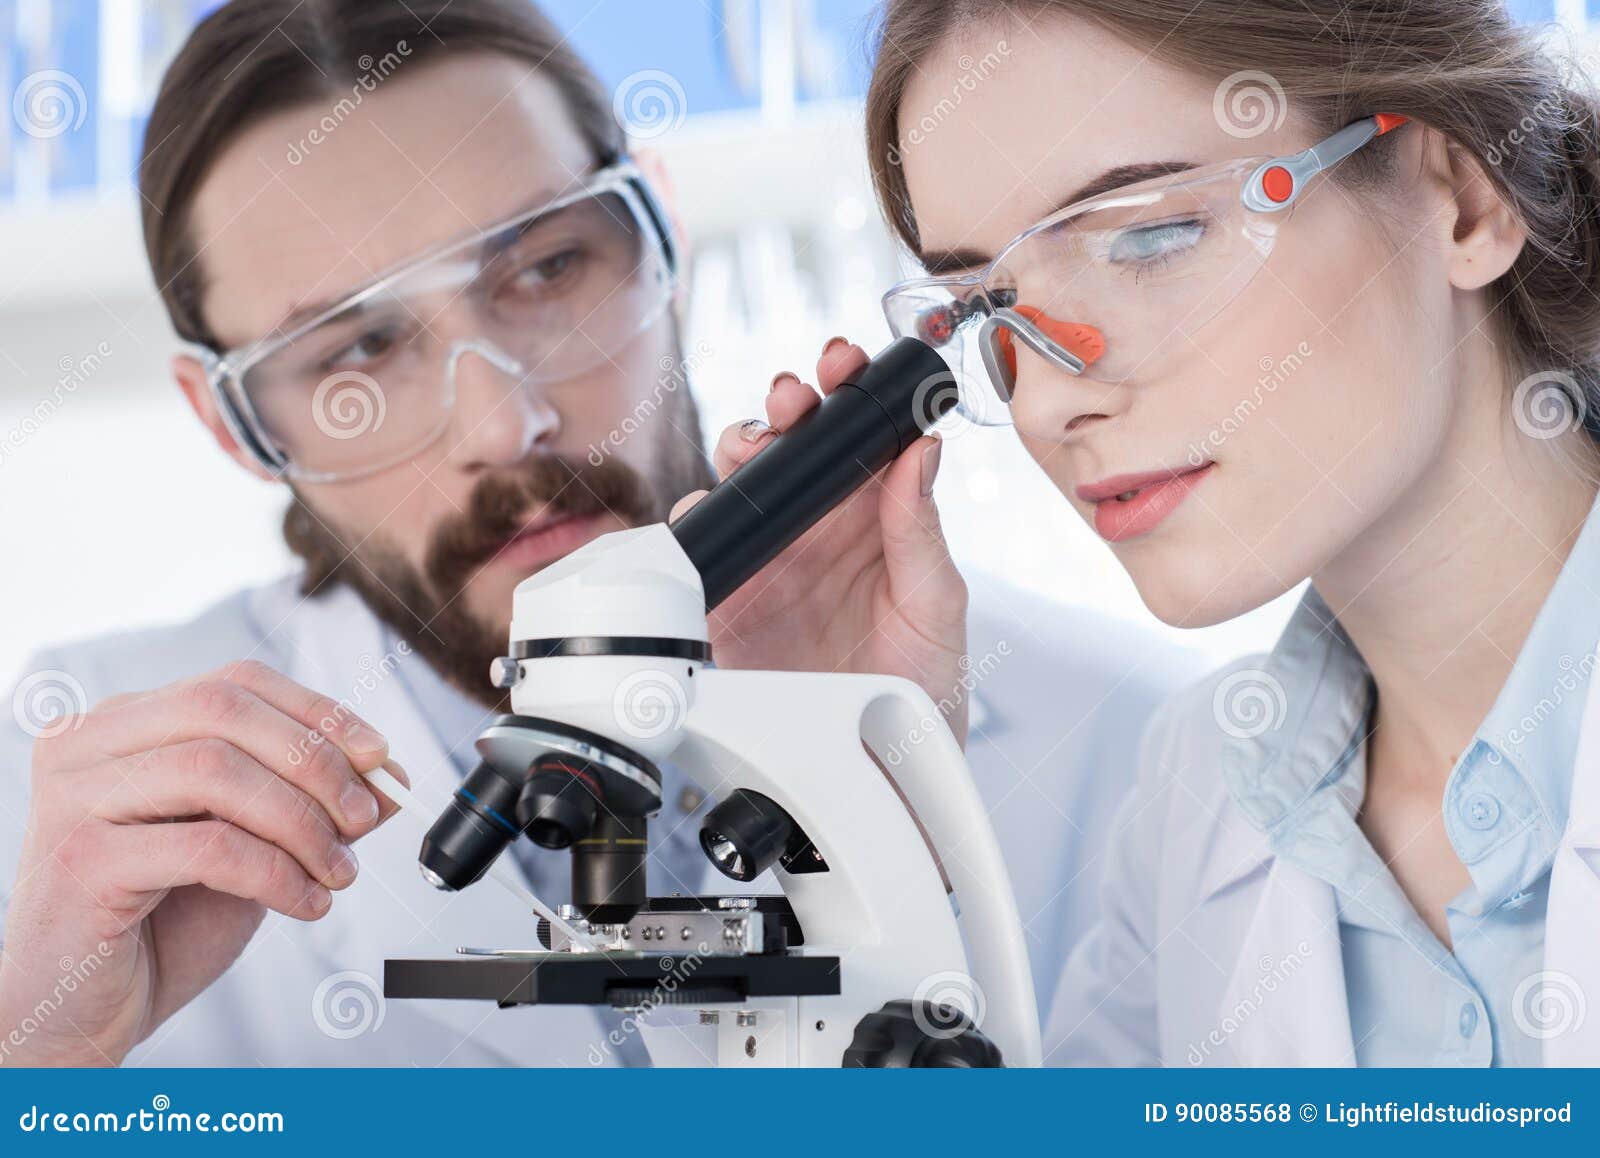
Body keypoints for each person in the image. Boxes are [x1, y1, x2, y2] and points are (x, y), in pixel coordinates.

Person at [0, 0, 1187, 1067]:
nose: (506, 421)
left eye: (549, 267)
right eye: (357, 351)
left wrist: (858, 805)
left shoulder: (1143, 755)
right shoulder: (74, 825)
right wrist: (40, 1053)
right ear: (230, 421)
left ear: (663, 240)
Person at [699, 0, 1600, 1065]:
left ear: (1459, 200)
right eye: (990, 308)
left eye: (1152, 235)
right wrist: (851, 808)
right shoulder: (1198, 797)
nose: (1044, 406)